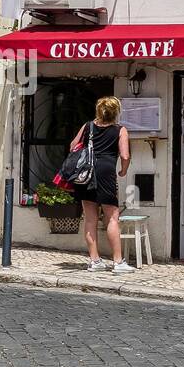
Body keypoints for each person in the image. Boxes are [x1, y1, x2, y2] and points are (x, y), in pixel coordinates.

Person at [69, 96, 131, 274]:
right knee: (112, 217)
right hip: (105, 172)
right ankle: (118, 262)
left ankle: (95, 261)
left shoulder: (88, 126)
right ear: (116, 112)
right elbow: (125, 155)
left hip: (86, 173)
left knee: (90, 219)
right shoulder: (120, 130)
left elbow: (73, 146)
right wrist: (123, 171)